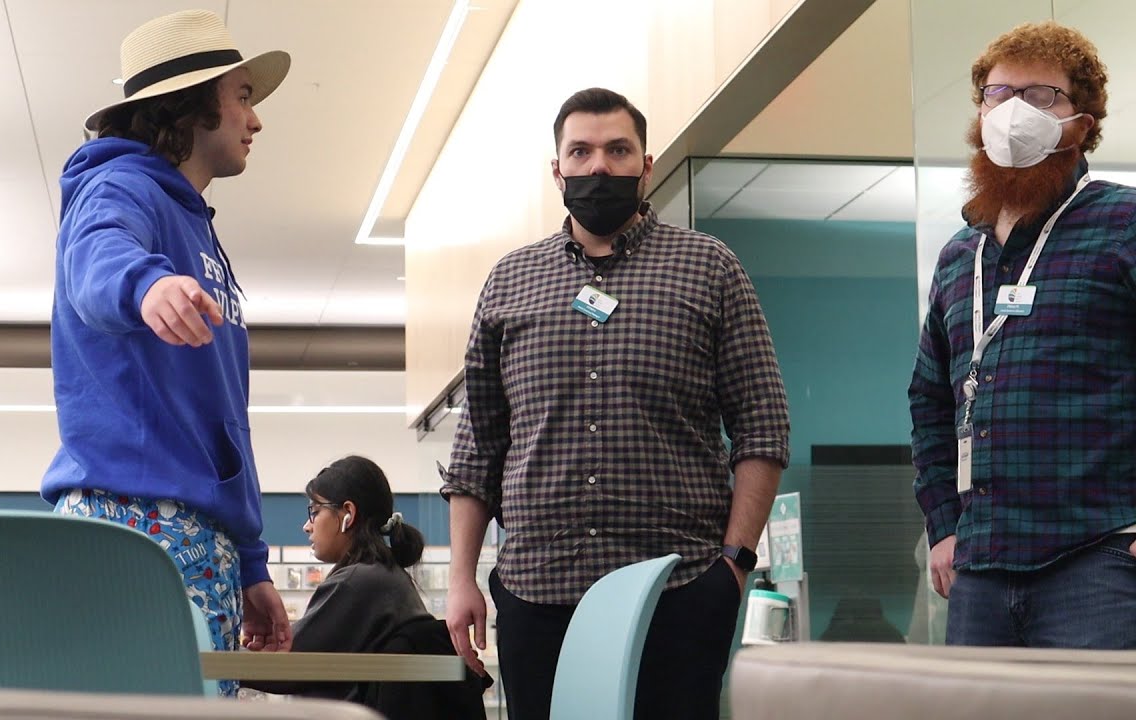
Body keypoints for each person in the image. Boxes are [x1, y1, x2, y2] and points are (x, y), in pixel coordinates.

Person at [442, 87, 790, 720]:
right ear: (557, 170)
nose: (599, 166)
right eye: (581, 151)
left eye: (617, 150)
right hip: (537, 591)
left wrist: (734, 566)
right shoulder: (509, 281)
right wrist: (461, 578)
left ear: (646, 165)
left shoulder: (710, 269)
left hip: (678, 591)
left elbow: (762, 426)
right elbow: (478, 447)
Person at [39, 9, 293, 694]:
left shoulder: (195, 229)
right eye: (243, 96)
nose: (256, 119)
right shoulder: (118, 186)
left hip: (190, 529)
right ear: (192, 102)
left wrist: (250, 562)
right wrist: (144, 284)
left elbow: (218, 412)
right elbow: (96, 255)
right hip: (136, 521)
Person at [910, 21, 1136, 648]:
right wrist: (944, 524)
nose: (1013, 111)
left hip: (1099, 559)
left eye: (1041, 96)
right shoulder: (961, 255)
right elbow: (929, 400)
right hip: (979, 568)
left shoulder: (1124, 224)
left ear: (1082, 123)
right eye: (999, 93)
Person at [249, 456, 487, 719]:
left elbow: (286, 669)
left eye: (314, 511)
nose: (307, 526)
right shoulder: (383, 574)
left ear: (348, 514)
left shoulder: (357, 582)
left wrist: (227, 659)